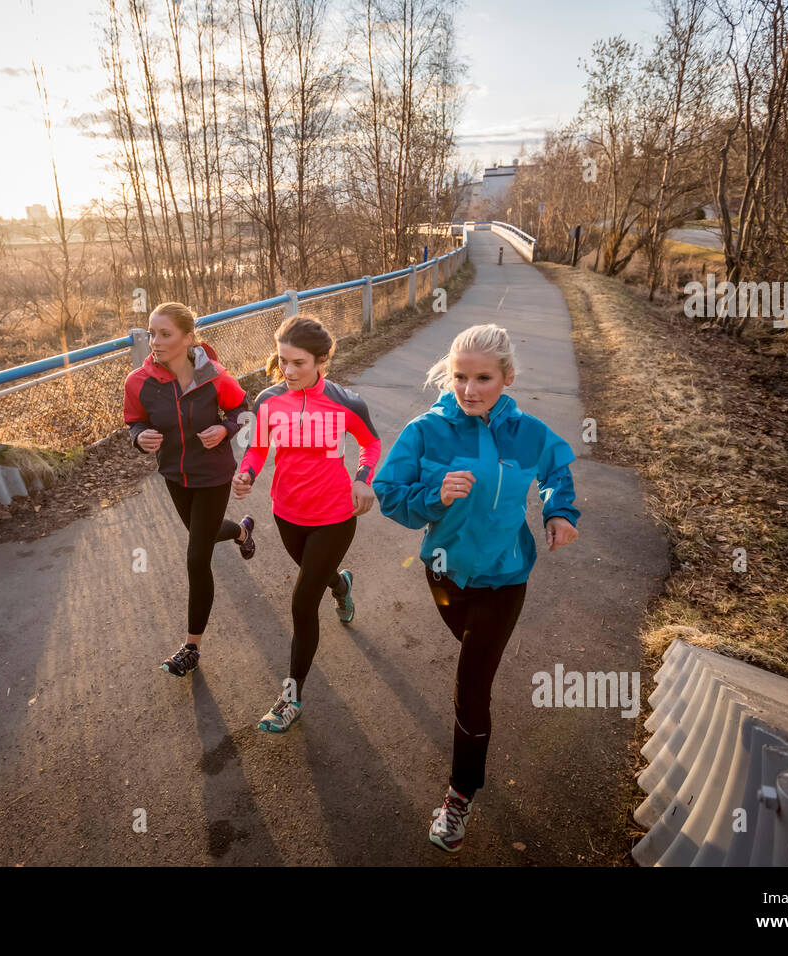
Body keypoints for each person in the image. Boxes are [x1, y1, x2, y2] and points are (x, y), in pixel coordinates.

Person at [373, 323, 580, 853]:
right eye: (460, 376)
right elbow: (390, 493)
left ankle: (460, 795)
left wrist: (558, 512)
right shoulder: (426, 430)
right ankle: (479, 664)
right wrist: (433, 495)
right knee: (470, 651)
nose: (469, 389)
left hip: (506, 577)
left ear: (506, 378)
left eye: (483, 378)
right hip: (444, 574)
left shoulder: (528, 432)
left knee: (472, 683)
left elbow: (558, 469)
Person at [233, 316, 382, 733]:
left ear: (322, 361)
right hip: (287, 511)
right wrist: (247, 473)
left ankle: (290, 695)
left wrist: (362, 479)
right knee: (315, 576)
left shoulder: (346, 402)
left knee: (302, 602)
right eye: (283, 361)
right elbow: (257, 447)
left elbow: (371, 443)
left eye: (298, 363)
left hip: (336, 514)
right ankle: (342, 586)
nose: (289, 371)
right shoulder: (268, 400)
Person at [123, 302, 256, 677]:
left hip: (213, 475)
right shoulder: (139, 382)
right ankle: (243, 530)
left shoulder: (214, 376)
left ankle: (191, 647)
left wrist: (226, 430)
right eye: (151, 333)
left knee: (197, 557)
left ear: (187, 338)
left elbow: (242, 410)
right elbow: (133, 420)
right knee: (207, 534)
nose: (155, 342)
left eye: (165, 334)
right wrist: (139, 437)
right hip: (174, 475)